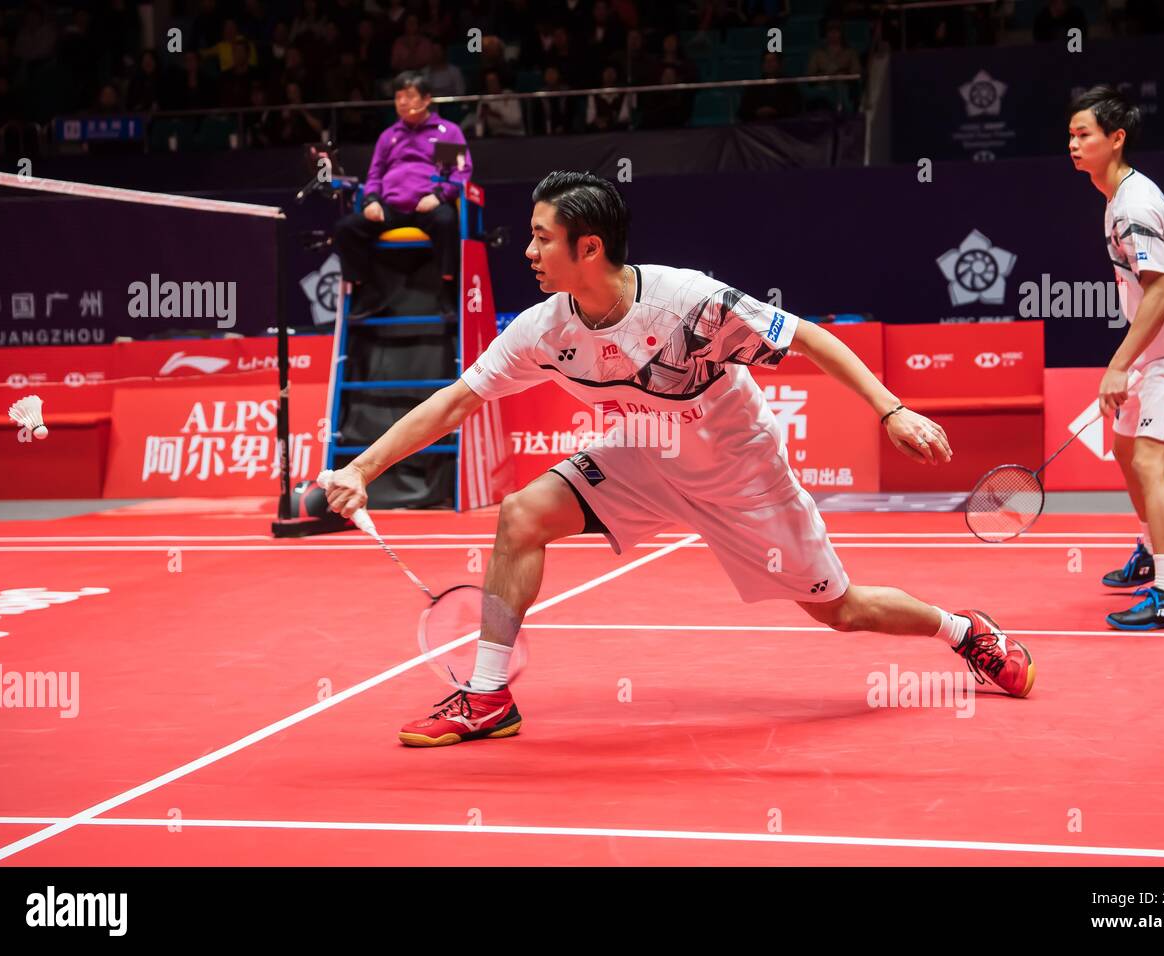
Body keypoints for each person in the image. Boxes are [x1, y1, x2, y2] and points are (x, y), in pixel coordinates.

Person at [322, 171, 1036, 746]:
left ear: (589, 247)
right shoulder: (543, 330)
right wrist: (362, 469)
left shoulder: (689, 303)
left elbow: (811, 338)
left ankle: (965, 631)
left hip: (738, 472)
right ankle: (487, 696)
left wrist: (891, 408)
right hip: (640, 457)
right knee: (521, 515)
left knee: (841, 612)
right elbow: (454, 401)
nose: (530, 252)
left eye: (543, 239)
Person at [1068, 86, 1164, 629]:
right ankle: (1150, 548)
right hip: (1156, 355)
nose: (1073, 143)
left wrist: (1117, 364)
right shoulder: (1116, 198)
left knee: (1148, 462)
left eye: (1083, 134)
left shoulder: (1134, 204)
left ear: (1116, 140)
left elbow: (1160, 292)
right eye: (1070, 134)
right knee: (1123, 448)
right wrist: (1131, 364)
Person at [332, 71, 473, 318]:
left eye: (409, 96)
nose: (402, 102)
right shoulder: (389, 136)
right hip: (391, 208)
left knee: (446, 220)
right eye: (398, 97)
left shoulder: (444, 131)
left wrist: (439, 196)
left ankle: (447, 292)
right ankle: (368, 292)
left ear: (427, 99)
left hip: (427, 206)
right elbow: (375, 175)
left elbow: (459, 174)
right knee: (346, 228)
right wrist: (372, 200)